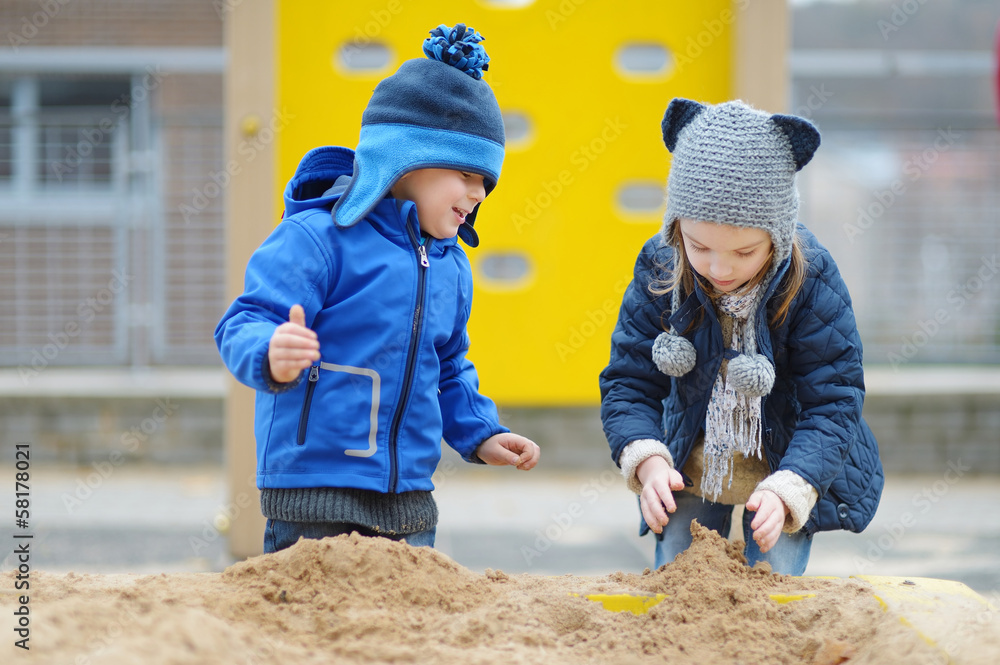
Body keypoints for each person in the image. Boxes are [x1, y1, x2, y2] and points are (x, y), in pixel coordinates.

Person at [216, 24, 540, 554]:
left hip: (409, 494)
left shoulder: (452, 265)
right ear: (403, 158)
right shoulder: (319, 238)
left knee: (407, 627)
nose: (478, 193)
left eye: (486, 182)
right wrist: (271, 353)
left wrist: (480, 433)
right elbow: (245, 320)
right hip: (314, 488)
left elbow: (450, 365)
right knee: (311, 624)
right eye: (465, 173)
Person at [599, 98, 884, 575]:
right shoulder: (660, 266)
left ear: (776, 235)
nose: (719, 268)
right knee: (679, 578)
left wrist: (794, 484)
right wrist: (646, 460)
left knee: (770, 585)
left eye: (744, 251)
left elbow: (833, 400)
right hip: (691, 463)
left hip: (782, 465)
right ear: (676, 230)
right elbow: (628, 380)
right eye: (700, 246)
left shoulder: (811, 279)